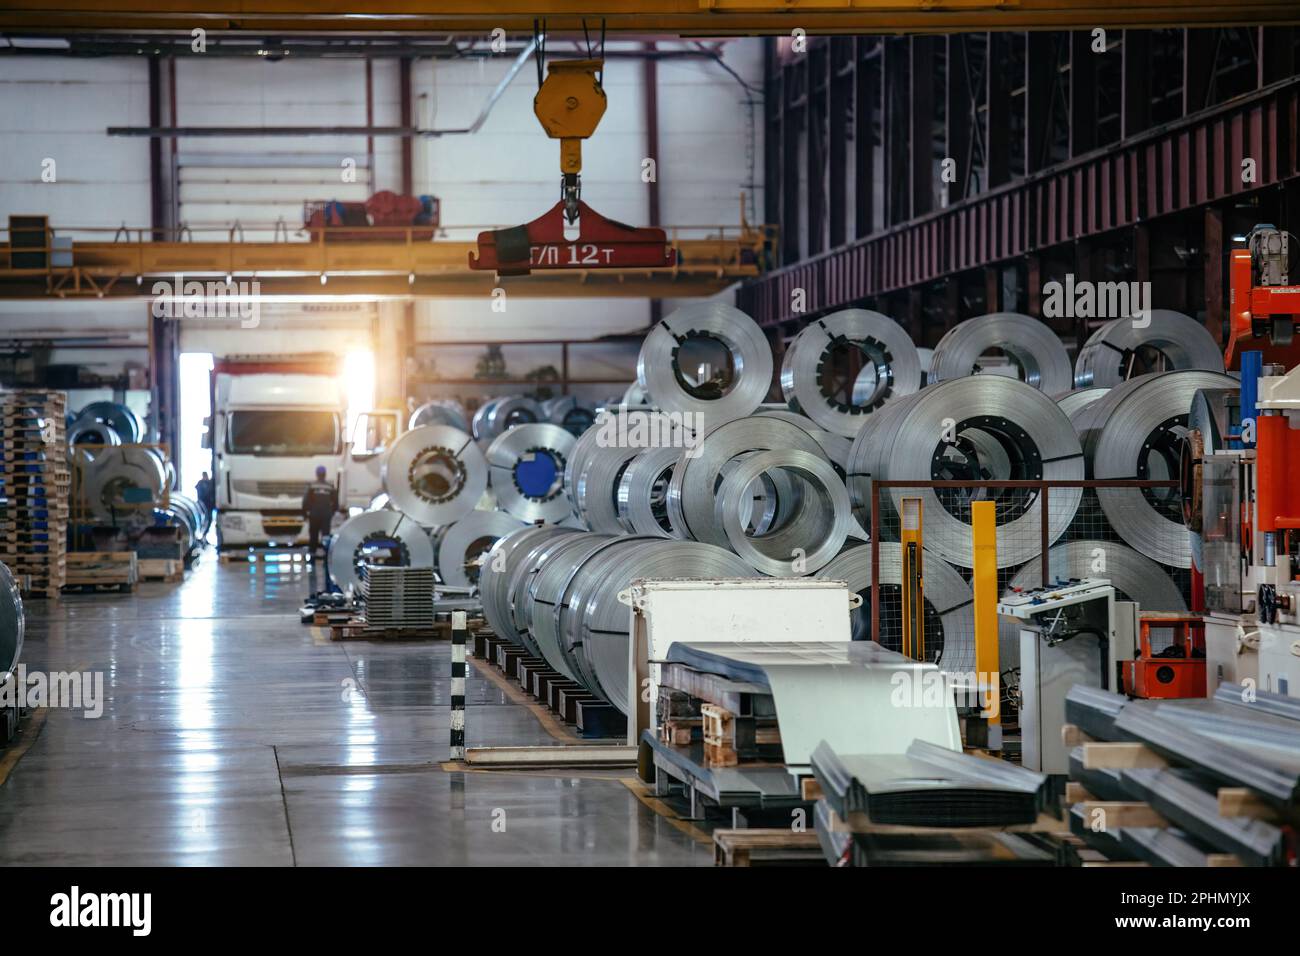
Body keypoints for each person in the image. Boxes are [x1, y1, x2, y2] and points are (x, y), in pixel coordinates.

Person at [302, 466, 338, 556]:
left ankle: (312, 555)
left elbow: (305, 501)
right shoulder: (330, 487)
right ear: (325, 474)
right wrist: (331, 512)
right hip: (326, 515)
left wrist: (305, 514)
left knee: (313, 536)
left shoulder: (312, 486)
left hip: (314, 515)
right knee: (326, 536)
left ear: (316, 474)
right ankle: (326, 555)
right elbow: (336, 502)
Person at [195, 471, 215, 536]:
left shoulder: (209, 483)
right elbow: (200, 495)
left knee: (209, 520)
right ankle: (203, 535)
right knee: (204, 520)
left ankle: (204, 535)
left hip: (209, 505)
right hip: (203, 505)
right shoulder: (201, 483)